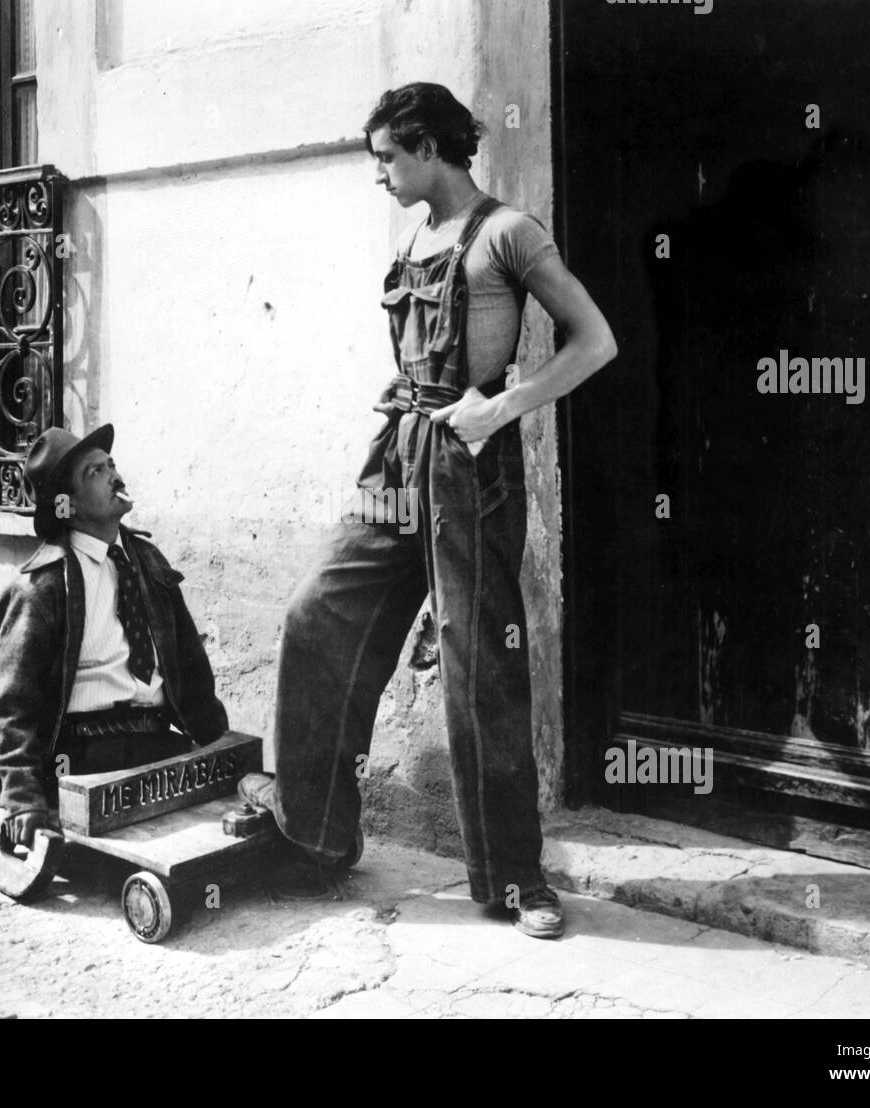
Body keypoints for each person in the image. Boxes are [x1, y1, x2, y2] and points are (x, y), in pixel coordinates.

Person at [239, 82, 618, 938]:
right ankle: (315, 833)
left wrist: (504, 404)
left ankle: (519, 878)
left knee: (478, 663)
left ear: (428, 148)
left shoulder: (508, 233)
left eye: (385, 157)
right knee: (317, 614)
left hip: (470, 461)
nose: (377, 173)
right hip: (399, 453)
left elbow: (596, 340)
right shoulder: (415, 236)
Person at [0, 423, 228, 849]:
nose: (115, 476)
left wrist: (218, 745)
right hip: (80, 759)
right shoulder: (43, 588)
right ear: (68, 506)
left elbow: (189, 663)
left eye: (111, 464)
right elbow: (13, 704)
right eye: (95, 473)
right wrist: (23, 798)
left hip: (154, 744)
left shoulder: (148, 561)